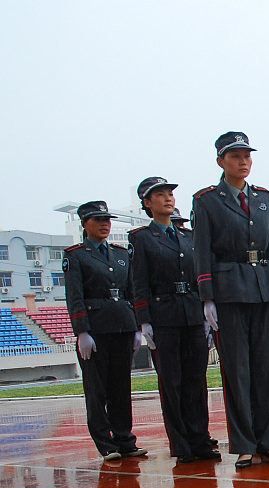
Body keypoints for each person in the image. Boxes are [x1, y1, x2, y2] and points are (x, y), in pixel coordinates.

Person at [192, 131, 269, 469]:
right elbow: (202, 250)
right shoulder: (207, 201)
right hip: (230, 290)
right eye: (235, 156)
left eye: (247, 155)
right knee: (237, 371)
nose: (243, 161)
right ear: (221, 161)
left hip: (264, 287)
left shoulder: (264, 198)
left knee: (268, 368)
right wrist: (208, 297)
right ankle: (245, 443)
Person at [129, 177, 219, 464]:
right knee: (172, 382)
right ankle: (181, 445)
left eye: (169, 194)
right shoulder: (141, 239)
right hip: (163, 316)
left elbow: (198, 276)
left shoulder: (188, 237)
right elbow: (138, 283)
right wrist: (144, 321)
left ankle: (200, 439)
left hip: (191, 313)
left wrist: (204, 310)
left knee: (196, 381)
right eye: (160, 195)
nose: (168, 198)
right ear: (147, 203)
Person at [64, 201, 148, 461]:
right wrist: (82, 331)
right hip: (96, 329)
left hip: (122, 325)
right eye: (98, 220)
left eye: (107, 220)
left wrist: (136, 326)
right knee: (97, 389)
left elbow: (131, 291)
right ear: (85, 224)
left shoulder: (121, 254)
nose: (104, 225)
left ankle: (125, 440)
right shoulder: (76, 255)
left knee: (121, 387)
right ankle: (105, 444)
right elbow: (75, 296)